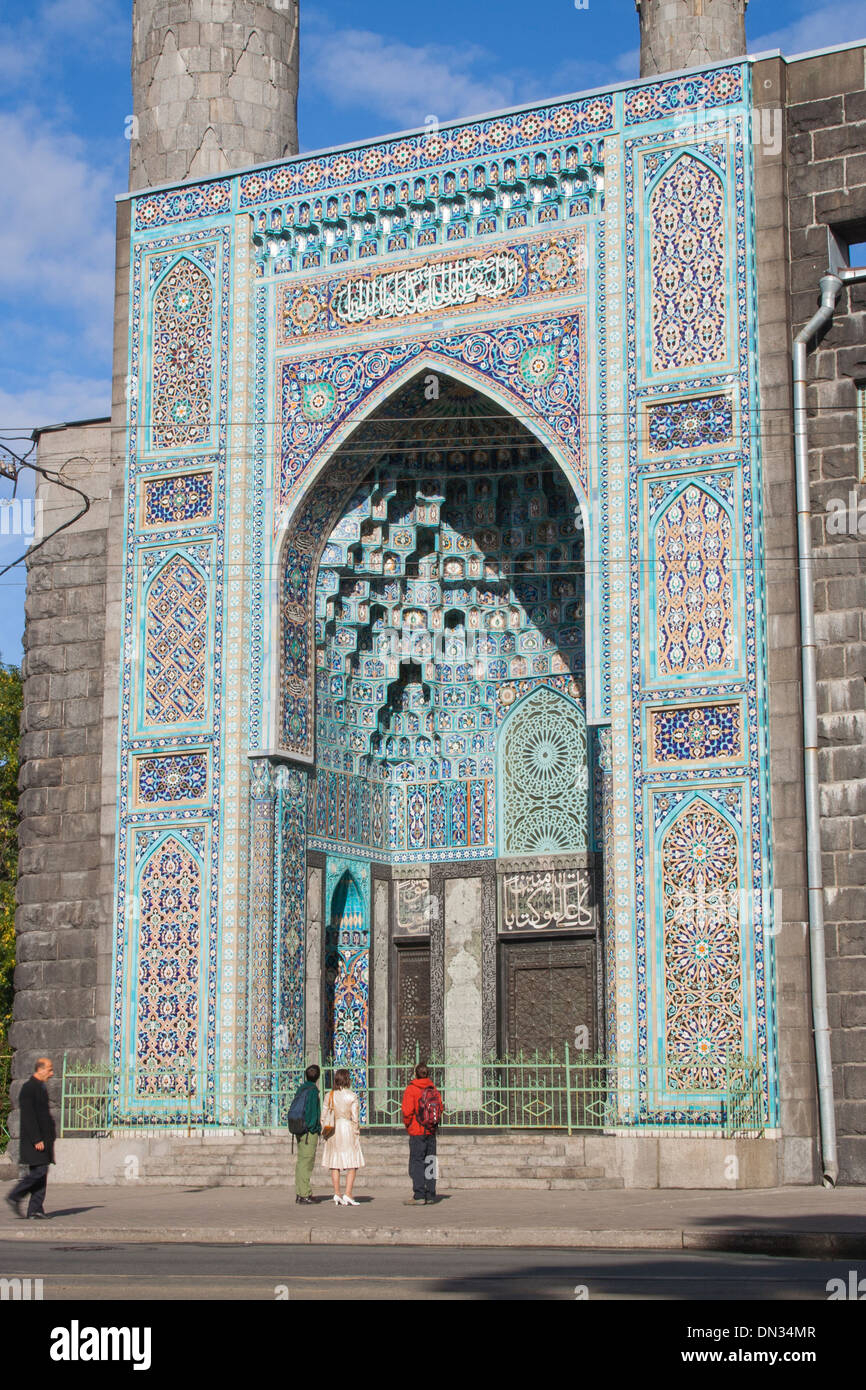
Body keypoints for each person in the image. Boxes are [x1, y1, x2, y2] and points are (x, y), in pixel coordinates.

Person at [5, 1057, 56, 1220]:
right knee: (39, 1171)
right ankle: (15, 1195)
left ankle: (35, 1209)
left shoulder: (40, 1087)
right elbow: (28, 1116)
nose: (52, 1073)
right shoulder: (29, 1088)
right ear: (40, 1069)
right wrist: (36, 1139)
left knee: (41, 1173)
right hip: (35, 1142)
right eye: (49, 1069)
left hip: (43, 1141)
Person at [401, 1063, 444, 1206]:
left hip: (417, 1130)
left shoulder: (412, 1089)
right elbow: (440, 1107)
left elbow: (407, 1112)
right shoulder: (433, 1089)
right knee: (431, 1160)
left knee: (417, 1162)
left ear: (415, 1073)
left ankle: (419, 1194)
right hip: (431, 1130)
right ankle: (431, 1194)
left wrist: (409, 1125)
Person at [320, 1068, 364, 1206]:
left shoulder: (329, 1095)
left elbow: (323, 1117)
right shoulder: (352, 1096)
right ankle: (348, 1193)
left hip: (334, 1129)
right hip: (347, 1128)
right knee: (352, 1162)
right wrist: (356, 1132)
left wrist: (325, 1130)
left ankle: (337, 1192)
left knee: (335, 1162)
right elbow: (355, 1118)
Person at [290, 1064, 322, 1205]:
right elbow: (312, 1113)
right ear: (318, 1077)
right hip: (308, 1132)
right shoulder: (313, 1091)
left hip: (299, 1128)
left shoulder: (301, 1088)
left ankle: (300, 1192)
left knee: (301, 1161)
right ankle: (304, 1194)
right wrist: (315, 1128)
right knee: (306, 1162)